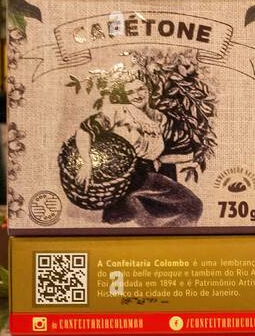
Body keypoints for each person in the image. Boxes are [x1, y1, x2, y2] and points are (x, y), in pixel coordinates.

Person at [73, 65, 203, 226]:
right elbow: (85, 130)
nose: (137, 95)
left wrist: (162, 160)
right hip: (126, 178)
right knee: (189, 206)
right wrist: (87, 162)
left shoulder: (161, 119)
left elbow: (187, 152)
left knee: (187, 208)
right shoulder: (118, 111)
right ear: (125, 95)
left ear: (148, 90)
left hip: (151, 177)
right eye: (130, 92)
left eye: (140, 89)